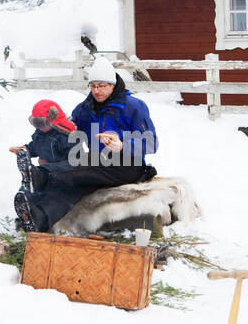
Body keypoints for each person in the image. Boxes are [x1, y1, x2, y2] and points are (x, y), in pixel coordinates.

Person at [13, 60, 157, 232]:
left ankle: (41, 175)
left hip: (128, 166)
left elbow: (152, 143)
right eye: (93, 85)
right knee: (70, 184)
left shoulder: (133, 106)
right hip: (96, 166)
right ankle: (38, 217)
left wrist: (122, 145)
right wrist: (33, 148)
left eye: (102, 86)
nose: (97, 90)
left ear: (113, 85)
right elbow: (66, 134)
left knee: (89, 160)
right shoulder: (83, 110)